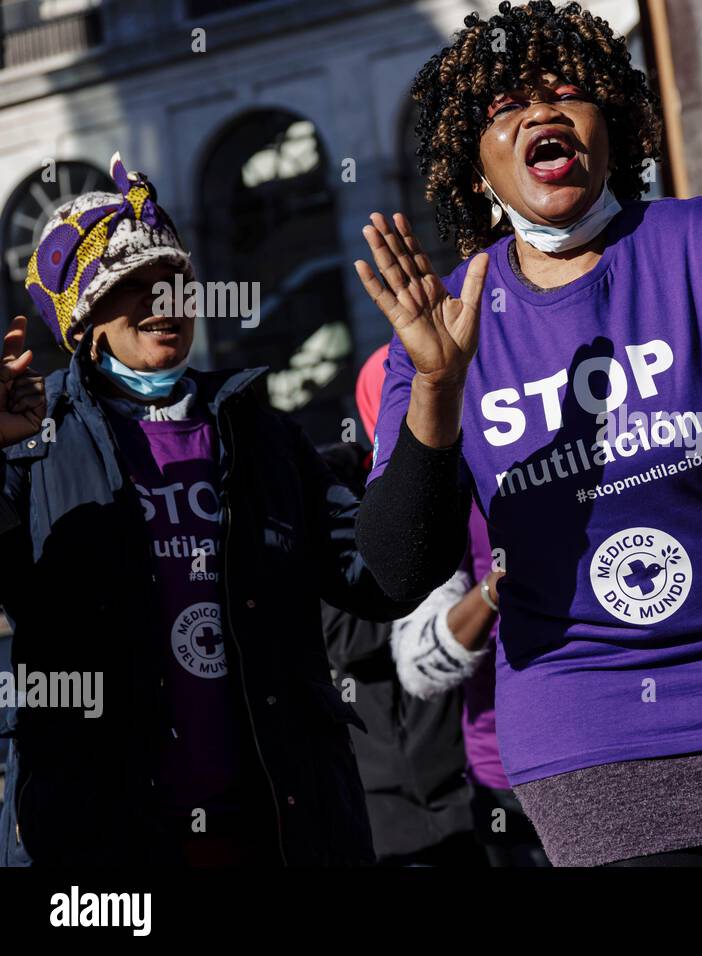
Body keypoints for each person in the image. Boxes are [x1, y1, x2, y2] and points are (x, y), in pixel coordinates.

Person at [355, 0, 702, 867]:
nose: (541, 112)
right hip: (591, 720)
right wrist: (435, 389)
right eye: (506, 107)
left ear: (612, 123)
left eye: (568, 92)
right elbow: (396, 567)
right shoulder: (448, 321)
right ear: (475, 165)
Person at [0, 153, 408, 866]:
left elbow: (378, 578)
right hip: (105, 846)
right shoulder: (34, 447)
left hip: (280, 833)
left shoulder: (264, 434)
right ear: (84, 319)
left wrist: (432, 412)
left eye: (176, 282)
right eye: (134, 287)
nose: (165, 303)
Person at [354, 344, 547, 866]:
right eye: (411, 396)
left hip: (639, 743)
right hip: (510, 776)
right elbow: (418, 664)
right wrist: (493, 591)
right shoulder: (432, 500)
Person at [317, 431, 484, 868]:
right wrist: (412, 581)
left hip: (461, 767)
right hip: (384, 786)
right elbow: (344, 639)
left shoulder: (448, 484)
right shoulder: (325, 497)